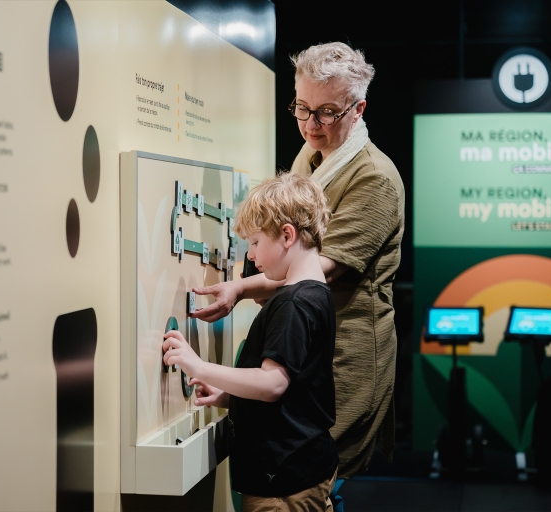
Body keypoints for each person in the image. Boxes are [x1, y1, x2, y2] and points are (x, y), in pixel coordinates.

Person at [192, 42, 405, 510]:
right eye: (303, 108)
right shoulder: (313, 157)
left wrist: (241, 289)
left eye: (327, 112)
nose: (311, 124)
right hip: (303, 346)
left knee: (312, 478)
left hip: (341, 355)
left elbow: (315, 269)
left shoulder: (375, 178)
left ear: (358, 109)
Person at [163, 173, 338, 512]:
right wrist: (231, 396)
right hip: (299, 471)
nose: (252, 256)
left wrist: (198, 366)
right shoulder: (316, 293)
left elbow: (273, 384)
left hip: (283, 484)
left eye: (255, 242)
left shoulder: (294, 303)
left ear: (287, 235)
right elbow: (296, 389)